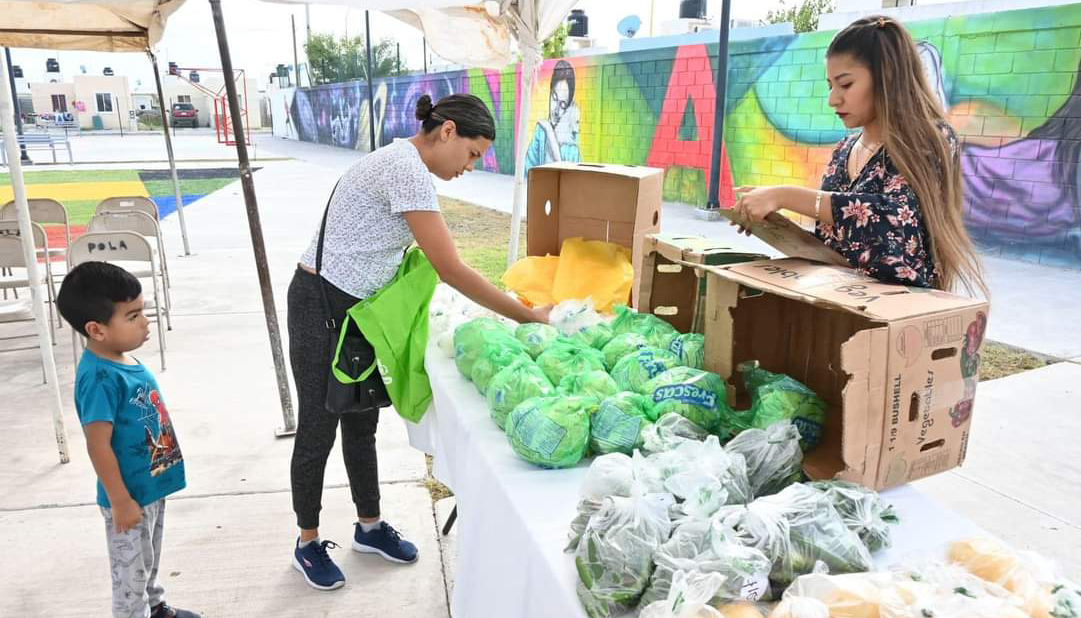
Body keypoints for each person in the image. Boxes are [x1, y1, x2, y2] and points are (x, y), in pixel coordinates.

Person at [287, 92, 550, 591]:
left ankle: (369, 527)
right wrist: (526, 315)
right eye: (473, 154)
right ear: (447, 131)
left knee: (361, 417)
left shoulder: (403, 162)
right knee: (319, 424)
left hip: (357, 307)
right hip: (320, 304)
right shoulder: (404, 168)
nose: (472, 167)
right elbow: (449, 267)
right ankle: (307, 541)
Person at [731, 16, 986, 295]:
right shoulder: (844, 149)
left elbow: (893, 220)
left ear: (886, 78)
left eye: (846, 84)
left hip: (897, 312)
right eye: (830, 85)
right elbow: (836, 233)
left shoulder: (931, 139)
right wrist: (771, 222)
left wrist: (784, 195)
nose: (833, 99)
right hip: (837, 302)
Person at [56, 262, 199, 618]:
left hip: (149, 487)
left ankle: (155, 607)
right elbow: (97, 444)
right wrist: (119, 500)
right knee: (128, 576)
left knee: (147, 558)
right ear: (97, 329)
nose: (146, 321)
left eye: (143, 311)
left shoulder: (122, 360)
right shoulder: (100, 377)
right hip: (127, 496)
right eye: (133, 315)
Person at [524, 59, 581, 174]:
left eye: (563, 104)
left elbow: (568, 179)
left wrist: (550, 132)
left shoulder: (571, 146)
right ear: (550, 93)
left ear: (568, 106)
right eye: (554, 98)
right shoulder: (541, 131)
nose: (556, 110)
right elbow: (527, 170)